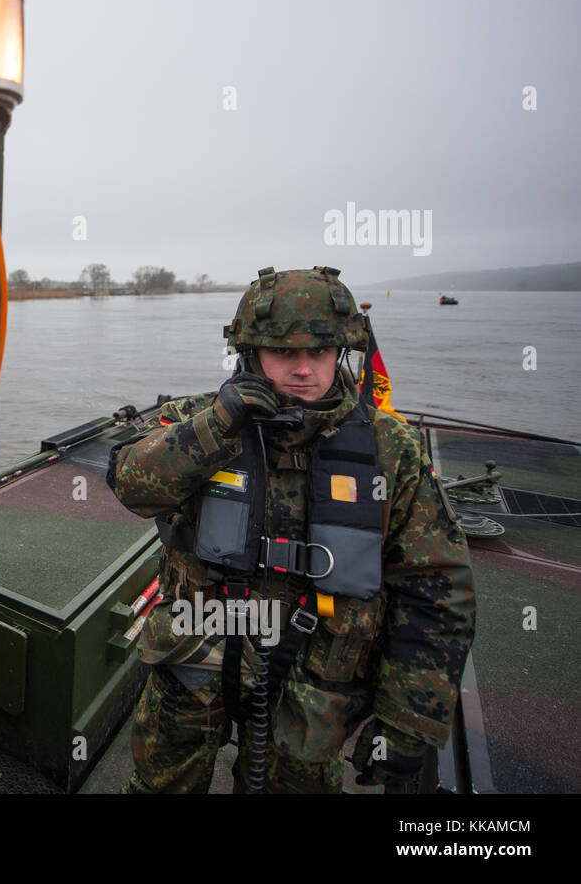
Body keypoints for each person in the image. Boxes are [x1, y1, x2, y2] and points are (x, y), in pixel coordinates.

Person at [107, 266, 475, 793]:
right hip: (193, 660)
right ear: (251, 354)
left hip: (315, 685)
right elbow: (129, 481)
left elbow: (436, 587)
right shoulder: (204, 418)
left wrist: (408, 723)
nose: (303, 369)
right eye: (284, 354)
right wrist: (217, 424)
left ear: (341, 352)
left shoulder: (390, 450)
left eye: (319, 354)